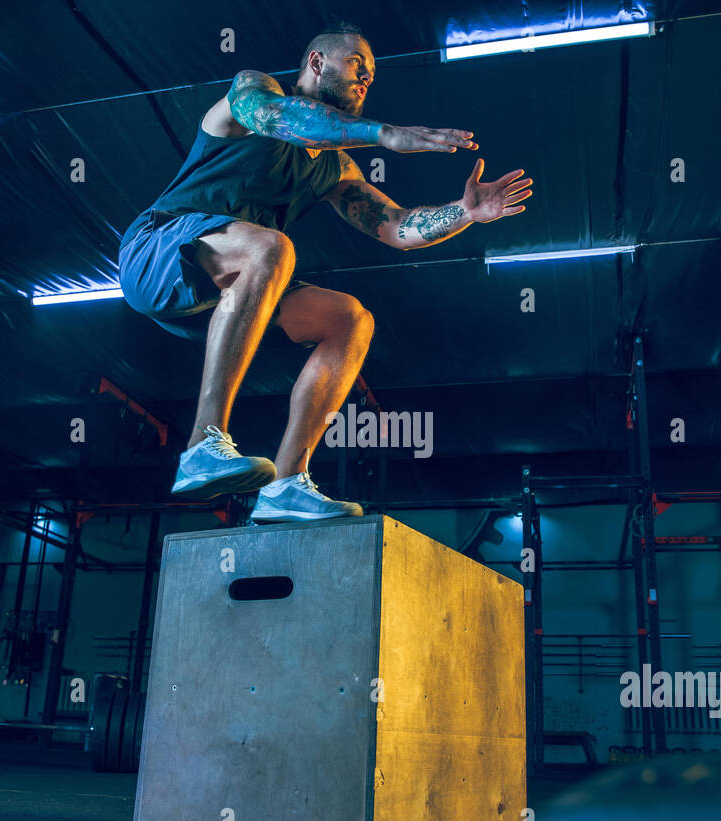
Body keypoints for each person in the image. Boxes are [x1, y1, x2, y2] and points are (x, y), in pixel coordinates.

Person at [118, 20, 532, 521]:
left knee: (351, 319)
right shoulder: (256, 92)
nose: (367, 79)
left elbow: (395, 228)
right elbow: (274, 117)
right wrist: (384, 134)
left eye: (373, 75)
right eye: (358, 63)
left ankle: (286, 484)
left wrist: (466, 212)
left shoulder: (335, 166)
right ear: (317, 63)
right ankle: (202, 445)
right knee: (274, 249)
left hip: (226, 285)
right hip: (155, 253)